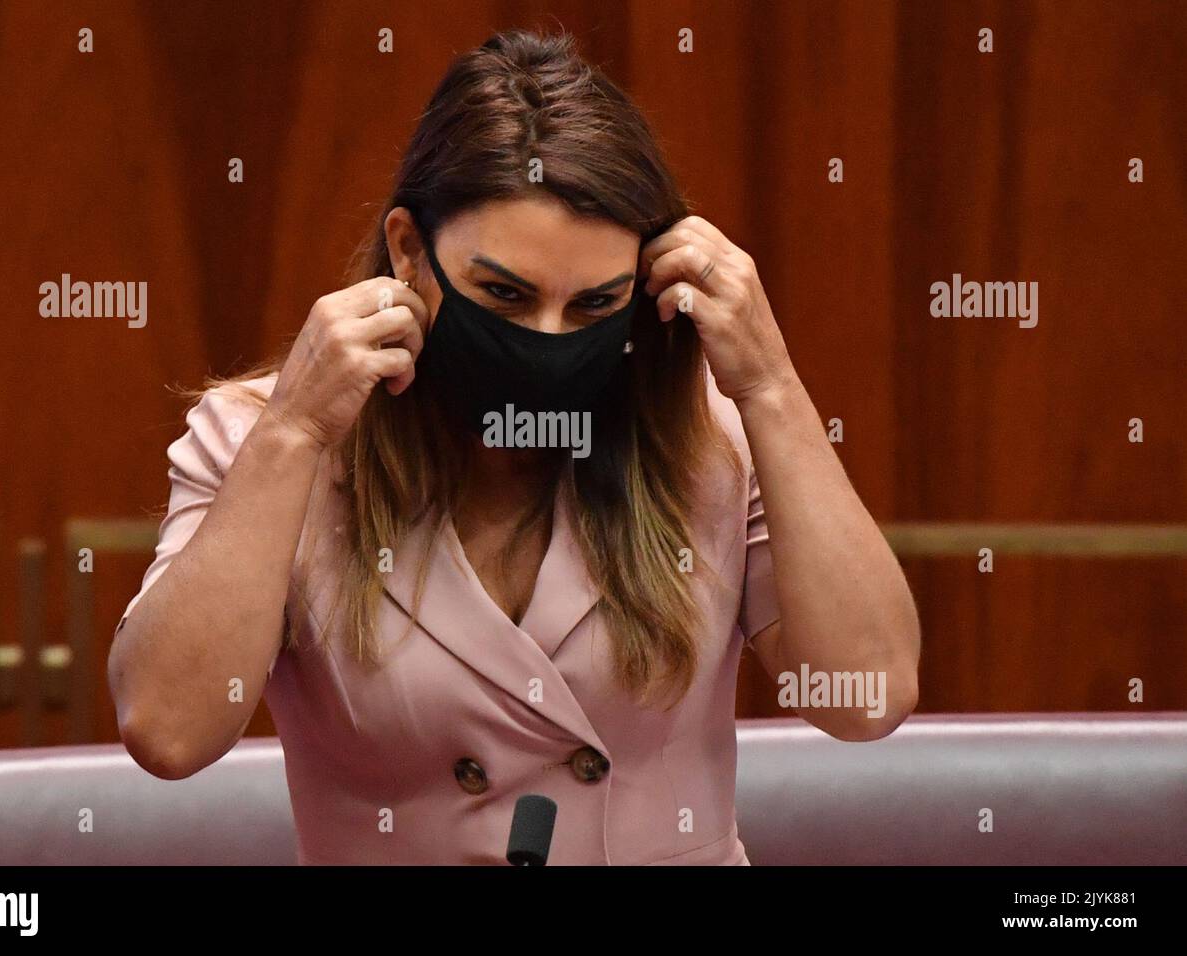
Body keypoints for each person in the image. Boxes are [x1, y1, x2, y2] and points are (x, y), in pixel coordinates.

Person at [107, 29, 920, 865]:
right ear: (410, 250)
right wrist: (295, 432)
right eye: (504, 294)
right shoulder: (267, 441)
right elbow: (169, 730)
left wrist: (772, 389)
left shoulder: (709, 439)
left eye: (594, 305)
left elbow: (869, 697)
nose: (545, 340)